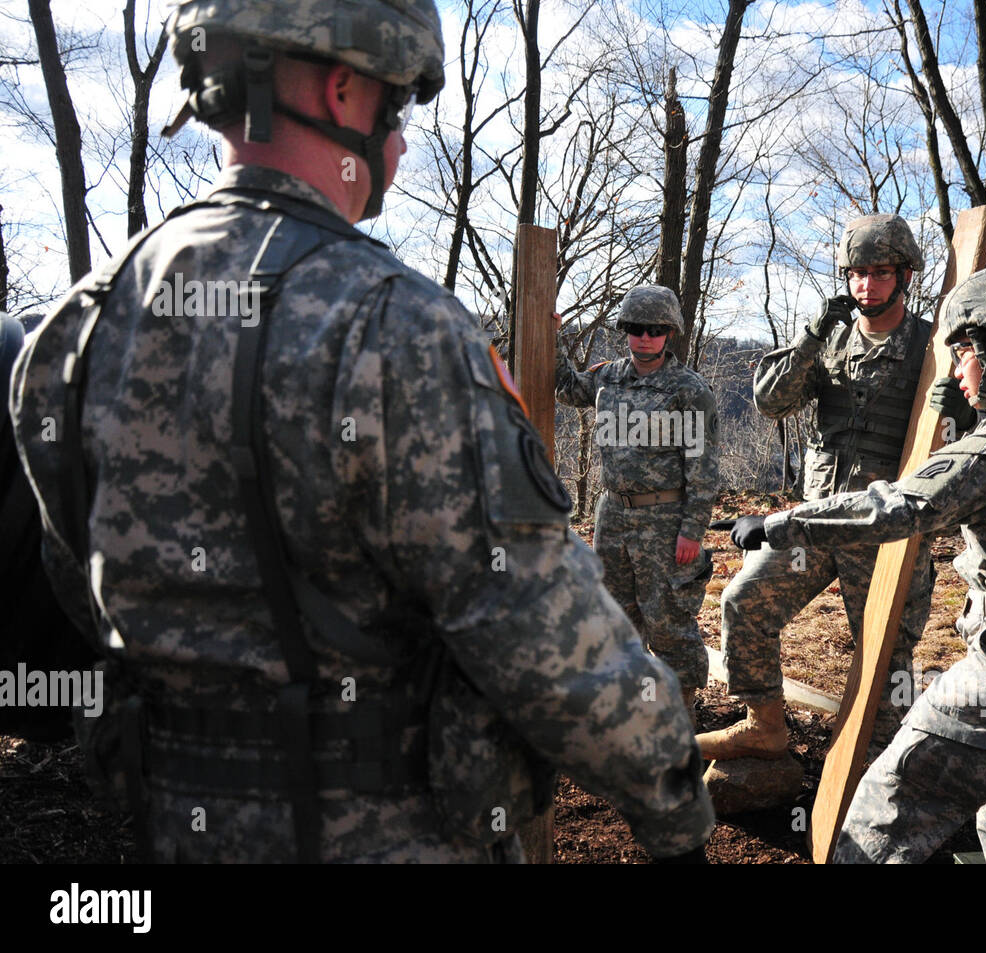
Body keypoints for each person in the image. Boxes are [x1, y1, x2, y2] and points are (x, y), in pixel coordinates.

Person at [9, 0, 712, 863]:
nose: (406, 141)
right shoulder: (401, 329)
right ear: (343, 90)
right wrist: (674, 811)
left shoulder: (75, 332)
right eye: (400, 105)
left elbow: (73, 597)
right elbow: (550, 641)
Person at [729, 264, 986, 863]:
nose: (955, 369)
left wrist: (784, 523)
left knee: (880, 819)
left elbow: (901, 506)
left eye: (963, 354)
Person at [697, 214, 959, 762]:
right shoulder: (830, 340)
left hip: (886, 528)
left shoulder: (930, 349)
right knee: (744, 603)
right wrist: (811, 338)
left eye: (881, 272)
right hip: (816, 521)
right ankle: (763, 723)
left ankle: (873, 763)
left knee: (886, 656)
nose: (866, 286)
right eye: (857, 273)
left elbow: (964, 432)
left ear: (906, 275)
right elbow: (771, 400)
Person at [554, 287, 719, 719]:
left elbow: (703, 467)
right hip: (614, 514)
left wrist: (692, 532)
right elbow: (568, 388)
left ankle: (678, 713)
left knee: (666, 618)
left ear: (669, 334)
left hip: (665, 519)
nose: (644, 338)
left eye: (655, 330)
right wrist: (551, 338)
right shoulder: (609, 377)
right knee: (616, 615)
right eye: (635, 329)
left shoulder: (688, 390)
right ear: (625, 331)